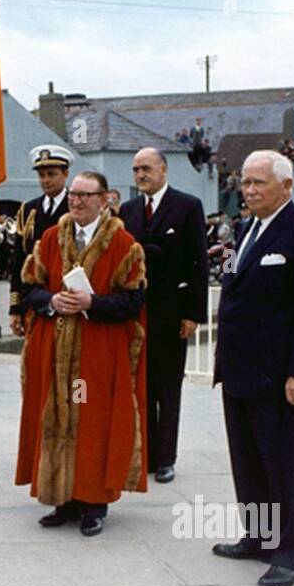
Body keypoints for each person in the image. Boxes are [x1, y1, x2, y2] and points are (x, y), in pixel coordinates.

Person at [212, 151, 294, 586]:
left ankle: (289, 554)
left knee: (286, 466)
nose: (249, 191)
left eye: (259, 183)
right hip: (241, 372)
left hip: (283, 379)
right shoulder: (246, 230)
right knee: (248, 462)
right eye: (245, 183)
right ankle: (259, 537)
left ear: (286, 186)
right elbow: (234, 289)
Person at [14, 171, 149, 536]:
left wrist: (92, 303)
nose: (76, 201)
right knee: (55, 417)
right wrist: (51, 300)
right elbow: (30, 288)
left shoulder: (123, 244)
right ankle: (62, 497)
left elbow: (133, 300)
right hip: (55, 347)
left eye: (85, 195)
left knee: (91, 422)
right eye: (73, 194)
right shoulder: (50, 238)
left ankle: (93, 502)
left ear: (104, 199)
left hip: (95, 352)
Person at [120, 147, 207, 484]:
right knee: (140, 386)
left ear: (163, 170)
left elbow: (199, 262)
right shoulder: (127, 210)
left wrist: (193, 313)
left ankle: (166, 457)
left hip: (172, 314)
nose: (141, 175)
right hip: (136, 315)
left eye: (146, 169)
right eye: (135, 170)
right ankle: (147, 454)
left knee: (168, 388)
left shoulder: (187, 206)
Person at [9, 145, 72, 337]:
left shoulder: (76, 206)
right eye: (41, 175)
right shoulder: (28, 210)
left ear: (65, 174)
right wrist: (15, 308)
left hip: (66, 297)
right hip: (33, 298)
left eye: (51, 174)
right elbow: (19, 260)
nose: (46, 180)